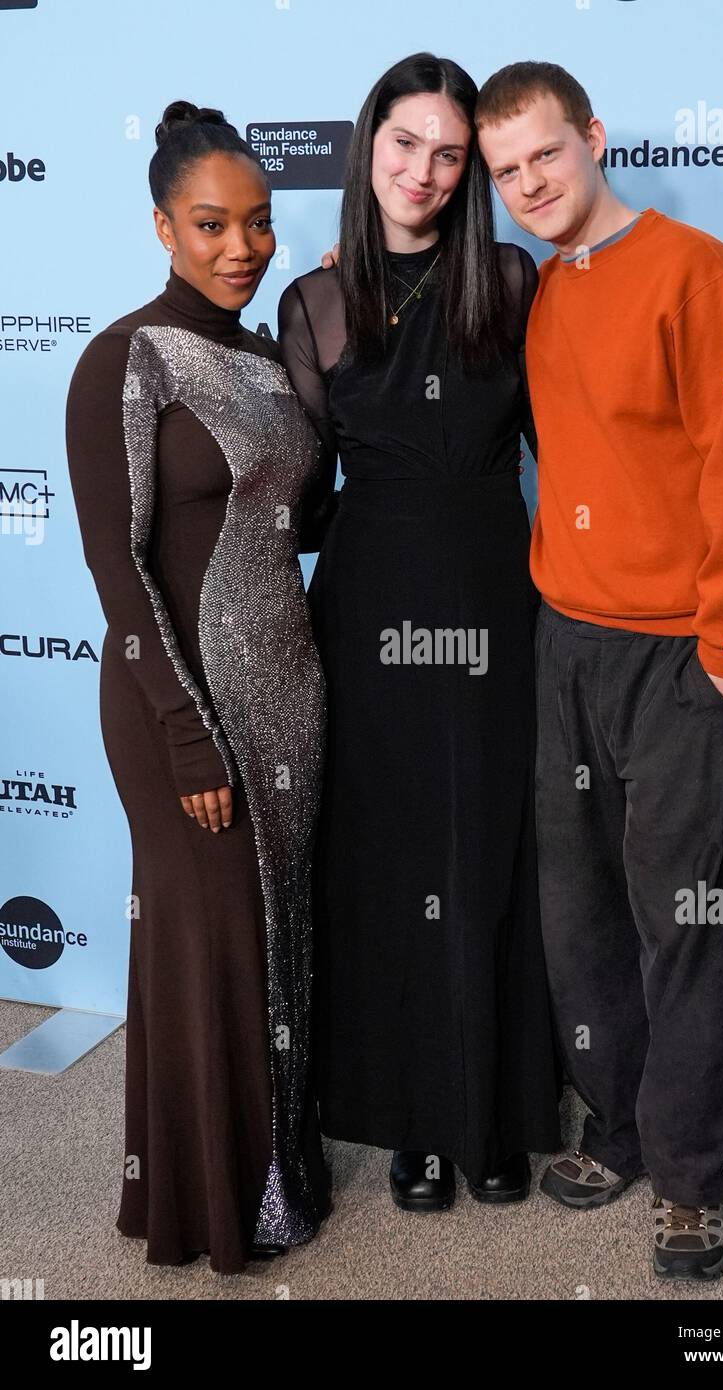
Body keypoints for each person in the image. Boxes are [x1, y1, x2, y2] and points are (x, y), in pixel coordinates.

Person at [475, 62, 723, 1279]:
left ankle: (689, 1177)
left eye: (543, 157)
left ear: (593, 139)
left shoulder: (698, 273)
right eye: (504, 172)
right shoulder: (548, 291)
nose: (527, 187)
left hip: (675, 652)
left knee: (685, 921)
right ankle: (610, 1128)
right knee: (582, 916)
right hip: (564, 637)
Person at [279, 52, 561, 1212]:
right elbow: (297, 496)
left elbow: (565, 443)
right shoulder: (315, 301)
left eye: (450, 153)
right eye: (407, 143)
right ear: (369, 143)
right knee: (390, 858)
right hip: (366, 605)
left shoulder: (508, 277)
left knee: (489, 847)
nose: (426, 170)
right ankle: (411, 1124)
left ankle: (490, 1111)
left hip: (495, 591)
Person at [65, 101, 331, 1273]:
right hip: (178, 702)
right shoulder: (125, 357)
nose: (241, 247)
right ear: (163, 225)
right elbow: (116, 567)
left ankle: (276, 1172)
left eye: (259, 223)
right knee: (208, 940)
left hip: (290, 690)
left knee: (275, 937)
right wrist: (185, 737)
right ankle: (207, 1204)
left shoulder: (270, 357)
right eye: (212, 224)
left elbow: (305, 519)